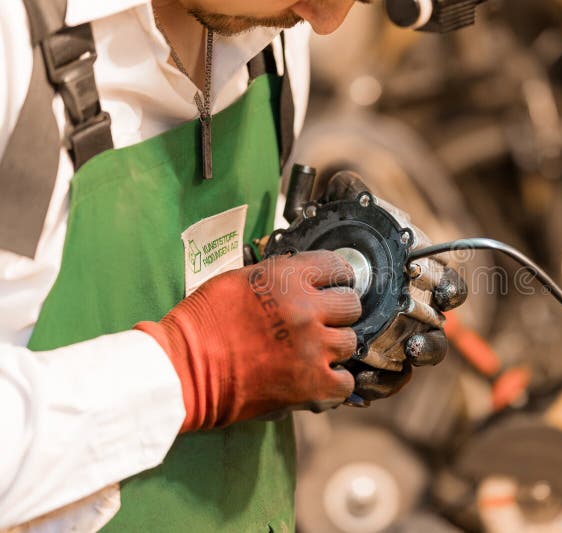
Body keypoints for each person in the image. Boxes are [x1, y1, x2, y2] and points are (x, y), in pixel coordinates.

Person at [0, 0, 464, 530]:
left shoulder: (276, 44)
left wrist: (335, 324)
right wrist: (187, 370)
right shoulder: (13, 46)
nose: (327, 18)